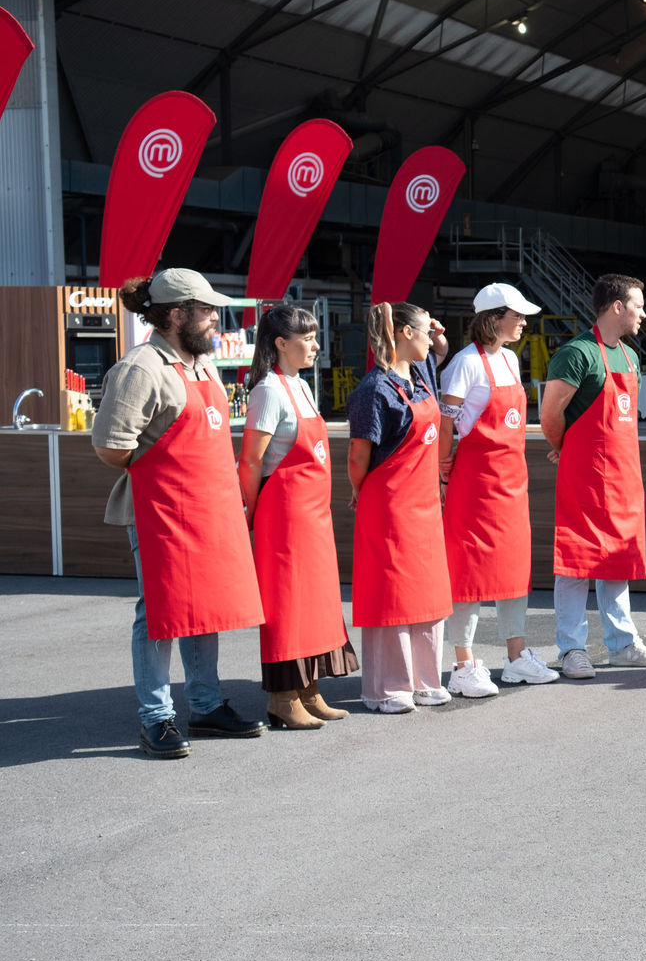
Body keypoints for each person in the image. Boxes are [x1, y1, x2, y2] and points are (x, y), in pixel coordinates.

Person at [93, 269, 267, 758]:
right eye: (207, 309)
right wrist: (163, 476)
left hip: (207, 511)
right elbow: (110, 445)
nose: (216, 317)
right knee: (158, 615)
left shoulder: (200, 363)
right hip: (161, 512)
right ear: (175, 314)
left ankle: (206, 707)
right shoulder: (142, 367)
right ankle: (156, 718)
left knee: (203, 609)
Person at [542, 273, 646, 678]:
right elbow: (550, 413)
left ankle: (623, 644)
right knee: (576, 562)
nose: (643, 313)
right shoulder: (577, 354)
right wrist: (566, 448)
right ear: (616, 307)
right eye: (638, 305)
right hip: (584, 474)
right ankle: (572, 649)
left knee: (618, 561)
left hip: (623, 476)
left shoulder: (630, 358)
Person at [238, 302, 357, 730]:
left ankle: (309, 689)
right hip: (283, 514)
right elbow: (250, 461)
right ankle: (282, 697)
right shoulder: (268, 390)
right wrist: (249, 513)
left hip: (312, 514)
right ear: (280, 344)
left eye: (314, 337)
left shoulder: (301, 385)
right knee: (287, 603)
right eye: (306, 339)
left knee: (316, 601)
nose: (315, 346)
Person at [441, 283, 557, 695]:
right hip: (474, 484)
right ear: (493, 319)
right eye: (517, 316)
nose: (524, 322)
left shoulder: (509, 358)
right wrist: (441, 468)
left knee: (512, 571)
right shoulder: (464, 364)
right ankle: (463, 664)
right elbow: (445, 422)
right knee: (468, 574)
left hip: (511, 482)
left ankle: (515, 657)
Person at [346, 302, 454, 713]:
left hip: (424, 505)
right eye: (425, 331)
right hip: (388, 505)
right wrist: (362, 490)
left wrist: (433, 329)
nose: (433, 337)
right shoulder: (373, 390)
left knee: (427, 593)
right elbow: (358, 457)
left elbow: (438, 349)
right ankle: (389, 688)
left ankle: (426, 680)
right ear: (405, 334)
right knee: (392, 594)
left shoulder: (420, 374)